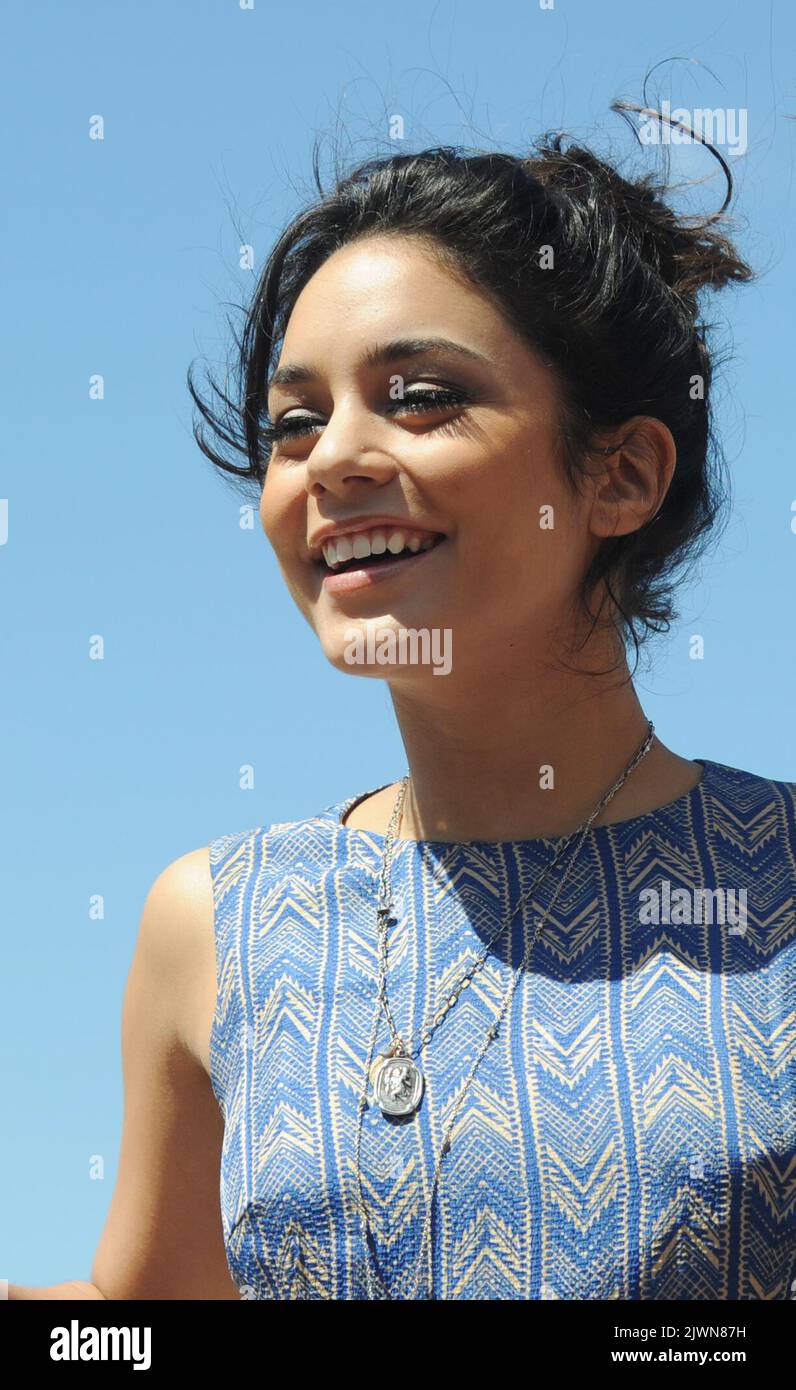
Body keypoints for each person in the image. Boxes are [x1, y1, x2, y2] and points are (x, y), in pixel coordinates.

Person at [11, 120, 796, 1300]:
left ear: (620, 475)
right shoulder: (214, 925)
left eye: (418, 397)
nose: (330, 459)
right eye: (293, 423)